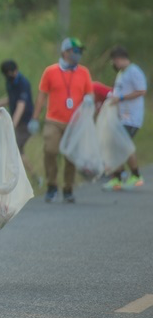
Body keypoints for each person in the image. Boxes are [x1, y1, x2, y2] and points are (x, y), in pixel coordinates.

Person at [29, 37, 93, 203]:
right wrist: (35, 118)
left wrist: (89, 100)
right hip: (54, 120)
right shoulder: (50, 71)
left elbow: (90, 93)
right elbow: (42, 96)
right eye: (75, 51)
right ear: (65, 52)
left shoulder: (84, 72)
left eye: (80, 52)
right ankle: (51, 185)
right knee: (50, 150)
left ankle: (68, 188)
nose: (78, 55)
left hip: (75, 123)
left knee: (71, 156)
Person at [103, 46, 146, 190]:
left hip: (132, 117)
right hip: (122, 117)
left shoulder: (134, 71)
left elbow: (141, 90)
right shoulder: (121, 74)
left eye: (114, 61)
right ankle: (117, 178)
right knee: (116, 145)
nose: (113, 65)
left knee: (123, 145)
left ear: (118, 59)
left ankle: (135, 175)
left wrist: (121, 98)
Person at [0, 60, 35, 176]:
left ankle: (32, 176)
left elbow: (21, 104)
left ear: (15, 70)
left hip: (26, 122)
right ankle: (32, 176)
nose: (9, 75)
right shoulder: (9, 82)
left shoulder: (23, 83)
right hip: (17, 122)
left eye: (11, 73)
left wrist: (12, 124)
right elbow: (11, 99)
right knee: (17, 149)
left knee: (15, 149)